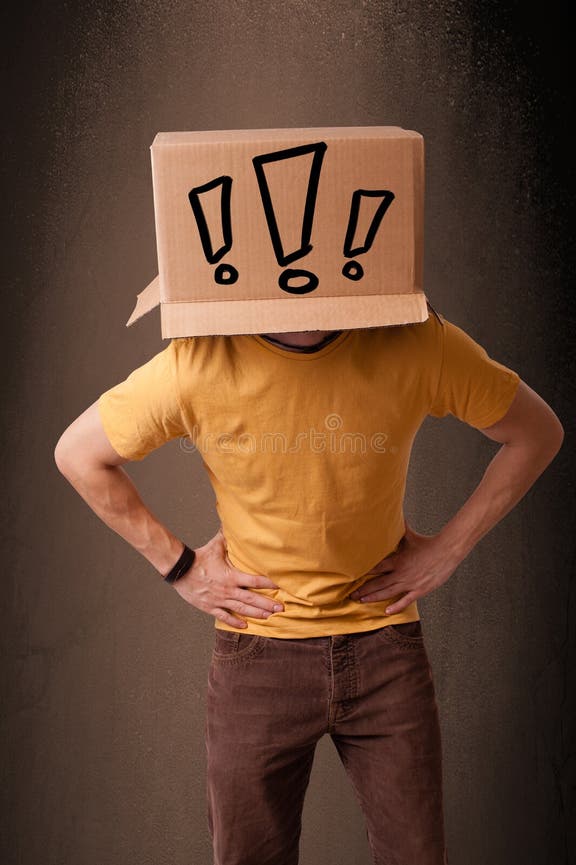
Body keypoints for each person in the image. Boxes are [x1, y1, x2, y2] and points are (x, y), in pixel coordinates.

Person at [54, 302, 564, 865]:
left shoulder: (416, 340)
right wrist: (180, 568)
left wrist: (449, 550)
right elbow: (78, 454)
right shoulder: (199, 360)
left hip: (385, 648)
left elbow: (537, 432)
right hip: (257, 654)